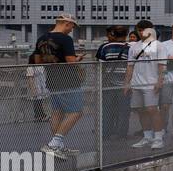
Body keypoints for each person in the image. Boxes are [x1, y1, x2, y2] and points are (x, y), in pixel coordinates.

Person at [33, 13, 84, 159]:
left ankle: (58, 147)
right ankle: (54, 143)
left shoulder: (42, 38)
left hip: (52, 80)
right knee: (76, 112)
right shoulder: (65, 39)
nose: (71, 30)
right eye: (72, 26)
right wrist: (77, 59)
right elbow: (70, 62)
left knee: (57, 112)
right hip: (68, 80)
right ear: (67, 24)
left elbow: (37, 61)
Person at [125, 26, 168, 149]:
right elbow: (130, 66)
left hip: (151, 83)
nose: (141, 32)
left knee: (152, 109)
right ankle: (147, 137)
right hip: (137, 83)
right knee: (140, 110)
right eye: (139, 30)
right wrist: (127, 83)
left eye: (143, 29)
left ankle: (158, 138)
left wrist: (160, 81)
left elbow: (162, 65)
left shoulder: (159, 46)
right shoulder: (134, 47)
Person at [95, 26, 130, 148]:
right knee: (123, 111)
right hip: (124, 84)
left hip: (108, 83)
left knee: (107, 110)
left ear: (114, 34)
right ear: (126, 35)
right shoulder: (130, 48)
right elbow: (131, 66)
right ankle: (122, 134)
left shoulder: (105, 47)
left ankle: (105, 133)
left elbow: (100, 64)